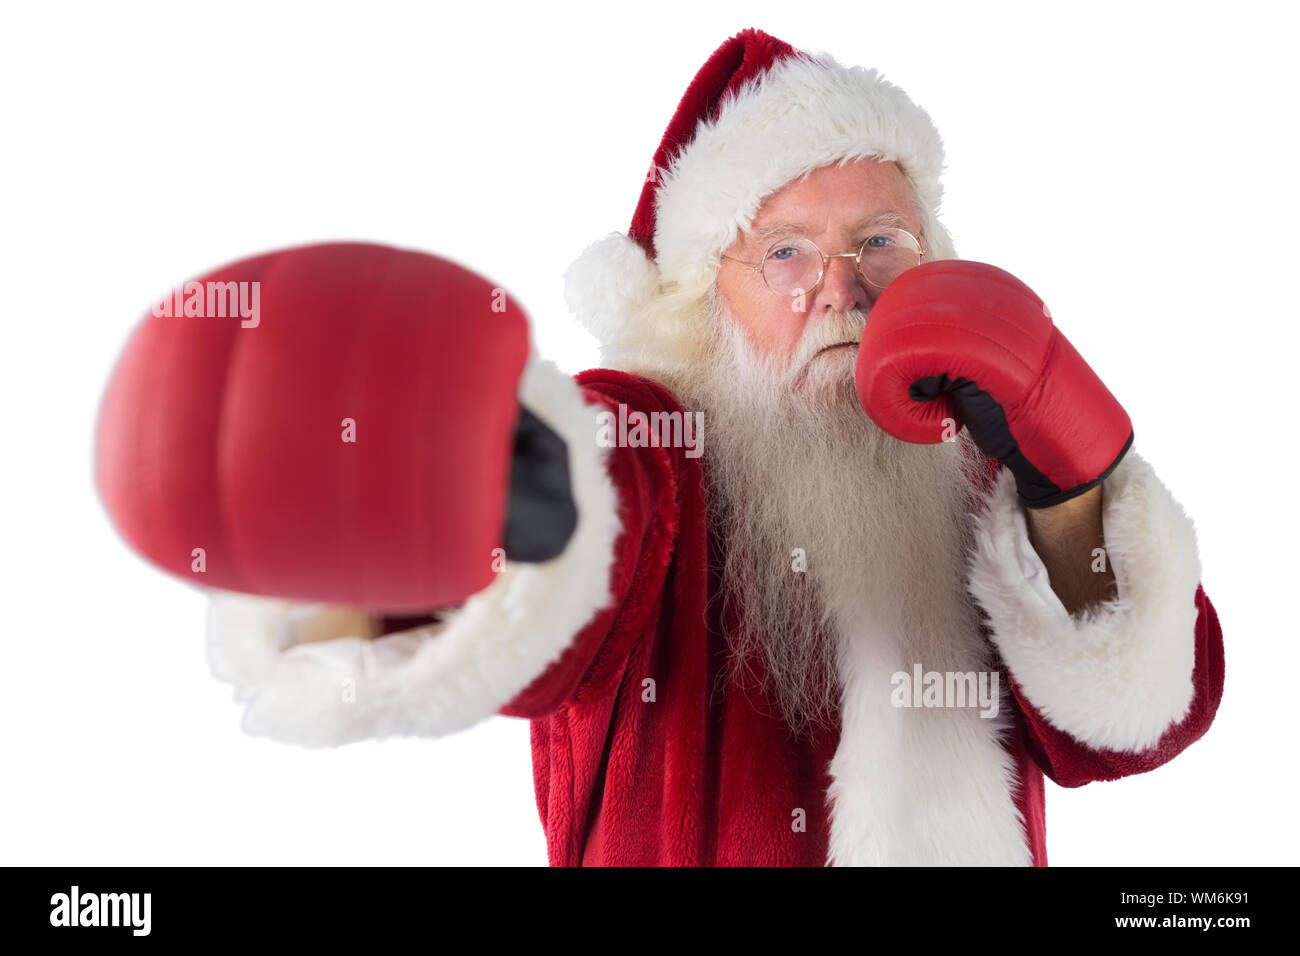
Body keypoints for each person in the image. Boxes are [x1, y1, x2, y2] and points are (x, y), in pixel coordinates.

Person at [103, 27, 1224, 866]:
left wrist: (1070, 487)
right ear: (701, 298)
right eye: (783, 252)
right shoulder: (651, 439)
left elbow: (1125, 733)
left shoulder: (986, 464)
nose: (842, 286)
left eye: (881, 239)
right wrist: (465, 478)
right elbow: (570, 558)